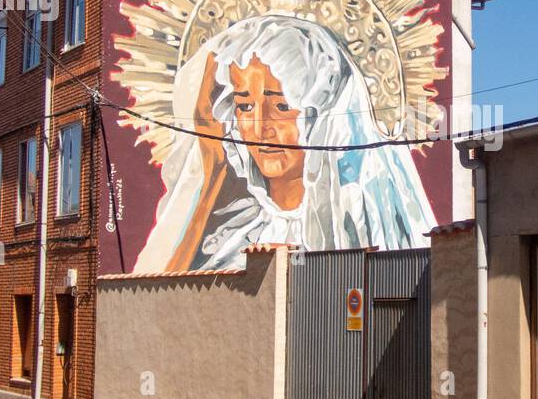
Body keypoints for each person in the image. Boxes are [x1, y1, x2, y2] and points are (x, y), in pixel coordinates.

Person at [135, 15, 435, 272]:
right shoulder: (233, 234)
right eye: (244, 106)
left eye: (281, 106)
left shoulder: (355, 217)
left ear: (322, 113)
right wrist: (211, 168)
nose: (260, 128)